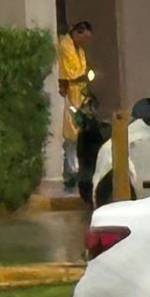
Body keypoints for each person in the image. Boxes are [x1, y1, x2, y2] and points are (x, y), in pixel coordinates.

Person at [55, 21, 96, 188]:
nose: (85, 43)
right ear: (78, 32)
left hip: (80, 95)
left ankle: (76, 168)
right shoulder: (66, 47)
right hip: (69, 95)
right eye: (84, 38)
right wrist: (83, 78)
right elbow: (70, 74)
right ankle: (71, 169)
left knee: (79, 130)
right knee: (71, 132)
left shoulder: (79, 50)